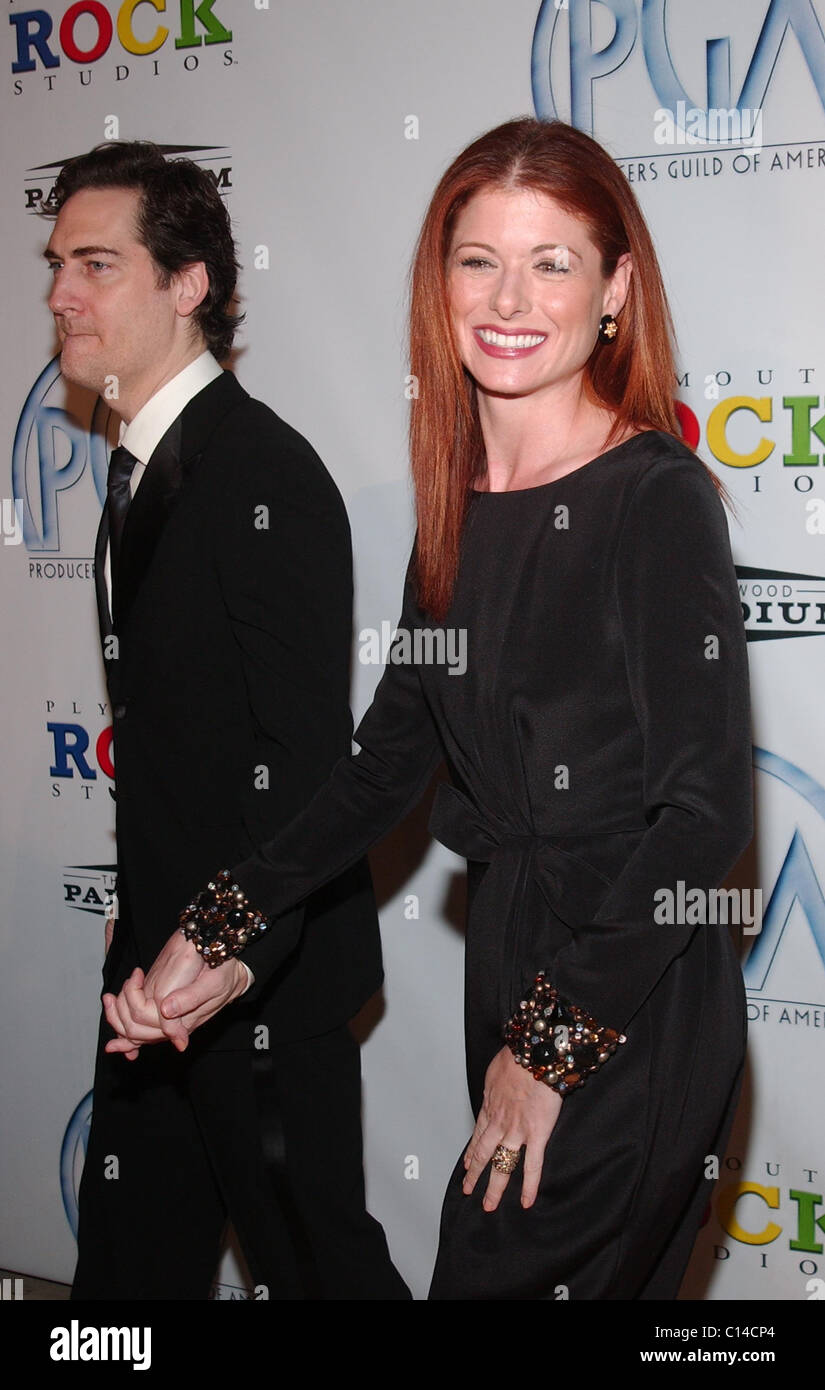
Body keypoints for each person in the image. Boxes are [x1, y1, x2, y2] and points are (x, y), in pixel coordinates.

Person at [106, 119, 753, 1301]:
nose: (509, 297)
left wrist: (552, 1050)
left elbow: (704, 825)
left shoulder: (656, 499)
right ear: (438, 281)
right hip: (509, 969)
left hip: (629, 999)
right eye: (477, 259)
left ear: (615, 290)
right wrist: (222, 923)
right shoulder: (461, 508)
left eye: (552, 261)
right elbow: (378, 768)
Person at [44, 140, 410, 1301]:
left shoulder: (265, 475)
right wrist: (144, 938)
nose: (60, 293)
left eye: (97, 265)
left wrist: (227, 958)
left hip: (259, 988)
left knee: (321, 1276)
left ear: (189, 283)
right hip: (153, 988)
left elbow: (306, 772)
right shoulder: (138, 473)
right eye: (56, 264)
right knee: (123, 1282)